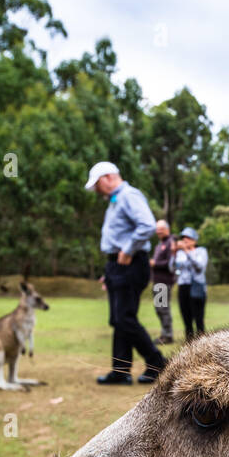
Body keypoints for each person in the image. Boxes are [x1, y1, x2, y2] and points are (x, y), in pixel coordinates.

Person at [86, 161, 167, 384]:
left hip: (130, 262)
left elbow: (147, 225)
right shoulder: (114, 200)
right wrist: (110, 272)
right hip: (117, 265)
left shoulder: (129, 195)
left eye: (97, 185)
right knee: (118, 319)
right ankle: (120, 371)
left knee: (124, 318)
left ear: (107, 178)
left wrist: (128, 249)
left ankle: (158, 364)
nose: (97, 190)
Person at [172, 227, 209, 341]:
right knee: (186, 318)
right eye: (183, 238)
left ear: (194, 240)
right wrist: (174, 252)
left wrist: (188, 252)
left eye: (188, 238)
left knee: (198, 318)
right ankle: (189, 344)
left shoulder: (201, 251)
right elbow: (172, 268)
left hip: (197, 286)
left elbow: (199, 267)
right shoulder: (179, 253)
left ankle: (202, 343)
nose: (185, 240)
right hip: (183, 286)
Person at [149, 220, 176, 344]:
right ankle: (164, 333)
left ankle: (167, 336)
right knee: (159, 308)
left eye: (160, 228)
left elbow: (171, 263)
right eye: (157, 229)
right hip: (157, 281)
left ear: (167, 229)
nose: (158, 231)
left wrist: (155, 263)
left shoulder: (171, 243)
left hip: (164, 281)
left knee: (163, 308)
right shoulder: (160, 244)